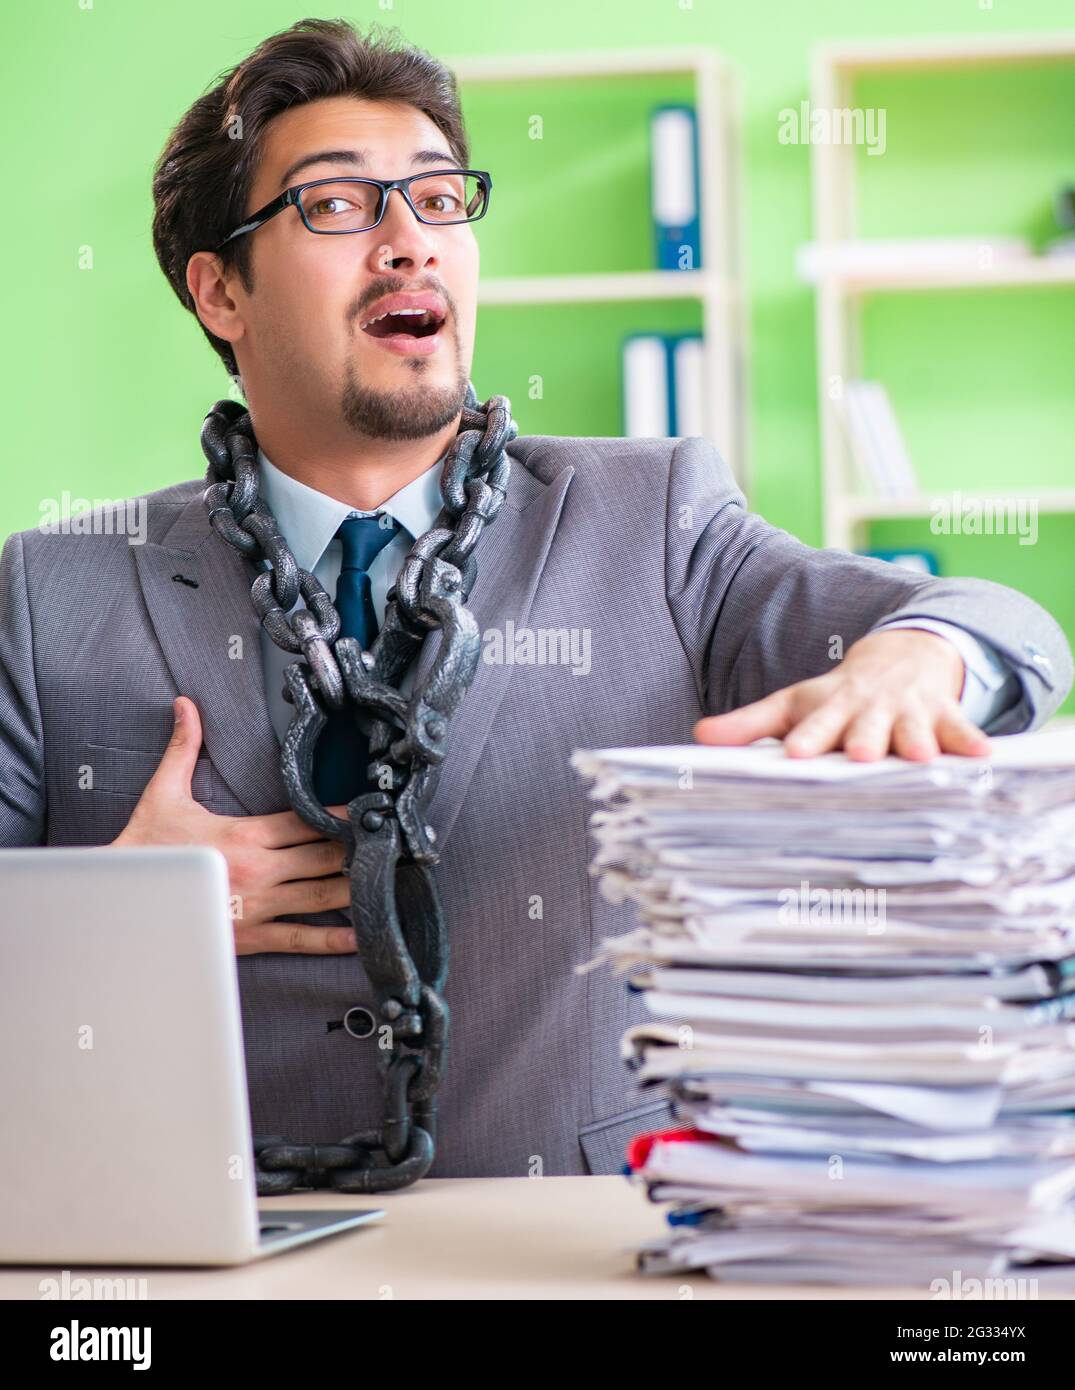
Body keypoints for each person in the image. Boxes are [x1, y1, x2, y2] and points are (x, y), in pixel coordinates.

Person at [0, 18, 1069, 1176]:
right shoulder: (51, 588)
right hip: (196, 1258)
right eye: (338, 206)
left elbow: (992, 619)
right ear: (221, 292)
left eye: (440, 200)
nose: (410, 242)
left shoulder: (650, 517)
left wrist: (913, 655)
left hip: (568, 1253)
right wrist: (106, 915)